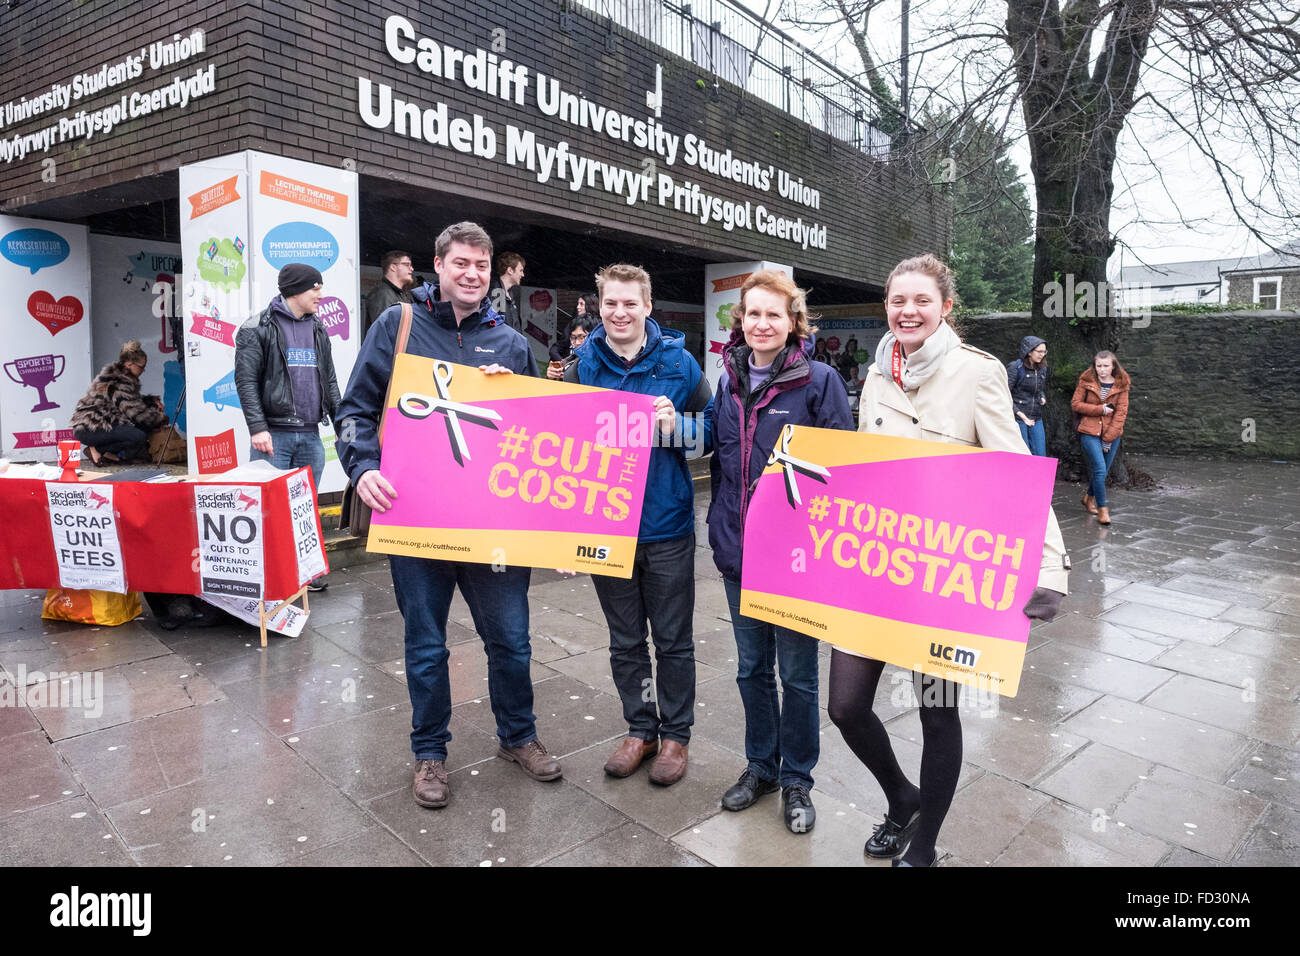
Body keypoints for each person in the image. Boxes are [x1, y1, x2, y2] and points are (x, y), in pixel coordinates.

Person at [830, 254, 1069, 867]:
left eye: (921, 301)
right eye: (896, 300)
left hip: (944, 576)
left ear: (945, 308)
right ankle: (901, 796)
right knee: (846, 706)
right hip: (879, 569)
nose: (907, 311)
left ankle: (925, 847)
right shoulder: (878, 375)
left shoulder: (979, 374)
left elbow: (1019, 475)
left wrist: (1048, 566)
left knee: (938, 716)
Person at [335, 221, 557, 810]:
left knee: (510, 640)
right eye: (461, 263)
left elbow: (535, 437)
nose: (472, 275)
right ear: (438, 265)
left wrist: (517, 399)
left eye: (481, 266)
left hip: (490, 528)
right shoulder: (398, 324)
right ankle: (429, 752)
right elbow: (355, 409)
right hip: (417, 520)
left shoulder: (511, 343)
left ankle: (519, 736)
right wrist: (362, 467)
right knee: (427, 645)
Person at [708, 270, 853, 833]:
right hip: (738, 555)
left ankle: (797, 779)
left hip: (795, 562)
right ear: (740, 321)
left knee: (797, 674)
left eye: (774, 314)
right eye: (752, 314)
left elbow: (839, 474)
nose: (762, 324)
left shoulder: (818, 382)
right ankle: (760, 766)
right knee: (750, 669)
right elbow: (723, 465)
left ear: (793, 322)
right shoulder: (728, 381)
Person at [569, 263, 712, 787]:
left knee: (673, 641)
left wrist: (678, 428)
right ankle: (640, 729)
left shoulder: (679, 362)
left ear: (648, 307)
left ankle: (676, 736)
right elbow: (563, 443)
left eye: (630, 303)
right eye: (610, 303)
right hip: (607, 530)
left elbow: (713, 429)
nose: (620, 312)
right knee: (625, 641)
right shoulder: (582, 365)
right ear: (598, 306)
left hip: (667, 524)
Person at [234, 263, 340, 592]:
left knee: (303, 508)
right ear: (295, 290)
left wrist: (344, 426)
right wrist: (257, 427)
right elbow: (246, 381)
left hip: (310, 433)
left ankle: (306, 572)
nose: (321, 295)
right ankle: (271, 576)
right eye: (315, 288)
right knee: (269, 510)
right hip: (274, 436)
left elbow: (330, 381)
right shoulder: (257, 328)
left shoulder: (318, 328)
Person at [69, 340, 168, 465]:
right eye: (141, 367)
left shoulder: (117, 375)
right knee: (138, 435)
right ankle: (97, 449)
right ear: (129, 364)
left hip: (97, 424)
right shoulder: (121, 381)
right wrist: (160, 418)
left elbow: (129, 402)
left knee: (141, 425)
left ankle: (113, 454)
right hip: (90, 428)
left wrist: (151, 401)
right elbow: (136, 413)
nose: (143, 370)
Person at [1071, 350, 1130, 526]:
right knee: (1099, 469)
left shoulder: (1122, 384)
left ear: (1113, 366)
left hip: (1111, 434)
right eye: (1099, 366)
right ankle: (1103, 509)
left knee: (1102, 472)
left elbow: (1121, 414)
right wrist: (1100, 409)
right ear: (1094, 366)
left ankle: (1088, 498)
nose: (1102, 370)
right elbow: (1076, 404)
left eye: (1106, 366)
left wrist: (1109, 438)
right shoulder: (1087, 380)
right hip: (1089, 431)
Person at [1007, 336, 1049, 455]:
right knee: (1023, 454)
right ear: (1029, 351)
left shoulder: (1043, 368)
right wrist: (1020, 415)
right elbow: (1004, 395)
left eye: (1044, 351)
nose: (1042, 355)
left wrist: (1042, 396)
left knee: (1041, 455)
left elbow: (1039, 389)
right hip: (1018, 417)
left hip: (1036, 417)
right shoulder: (1015, 367)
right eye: (1039, 351)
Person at [363, 251, 414, 340]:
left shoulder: (401, 295)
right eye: (407, 264)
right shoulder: (382, 294)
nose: (411, 269)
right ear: (393, 267)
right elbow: (386, 334)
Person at [546, 313, 596, 380]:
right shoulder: (566, 364)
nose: (577, 343)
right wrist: (551, 378)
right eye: (573, 337)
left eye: (581, 337)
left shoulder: (606, 363)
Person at [490, 251, 525, 332]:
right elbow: (495, 328)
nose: (523, 275)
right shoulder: (496, 293)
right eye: (520, 270)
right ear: (510, 270)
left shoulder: (509, 294)